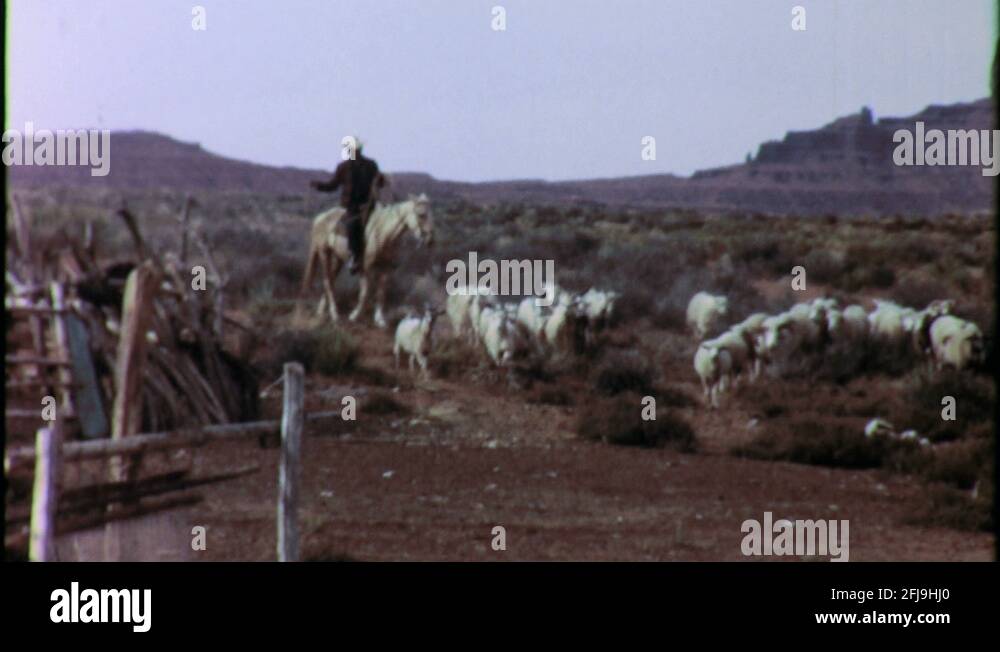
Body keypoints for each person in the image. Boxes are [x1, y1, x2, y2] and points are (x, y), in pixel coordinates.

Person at [310, 138, 386, 274]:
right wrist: (319, 186)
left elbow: (379, 183)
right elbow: (333, 185)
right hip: (352, 206)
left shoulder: (371, 165)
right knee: (352, 225)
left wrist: (381, 180)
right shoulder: (343, 167)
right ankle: (354, 257)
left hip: (369, 205)